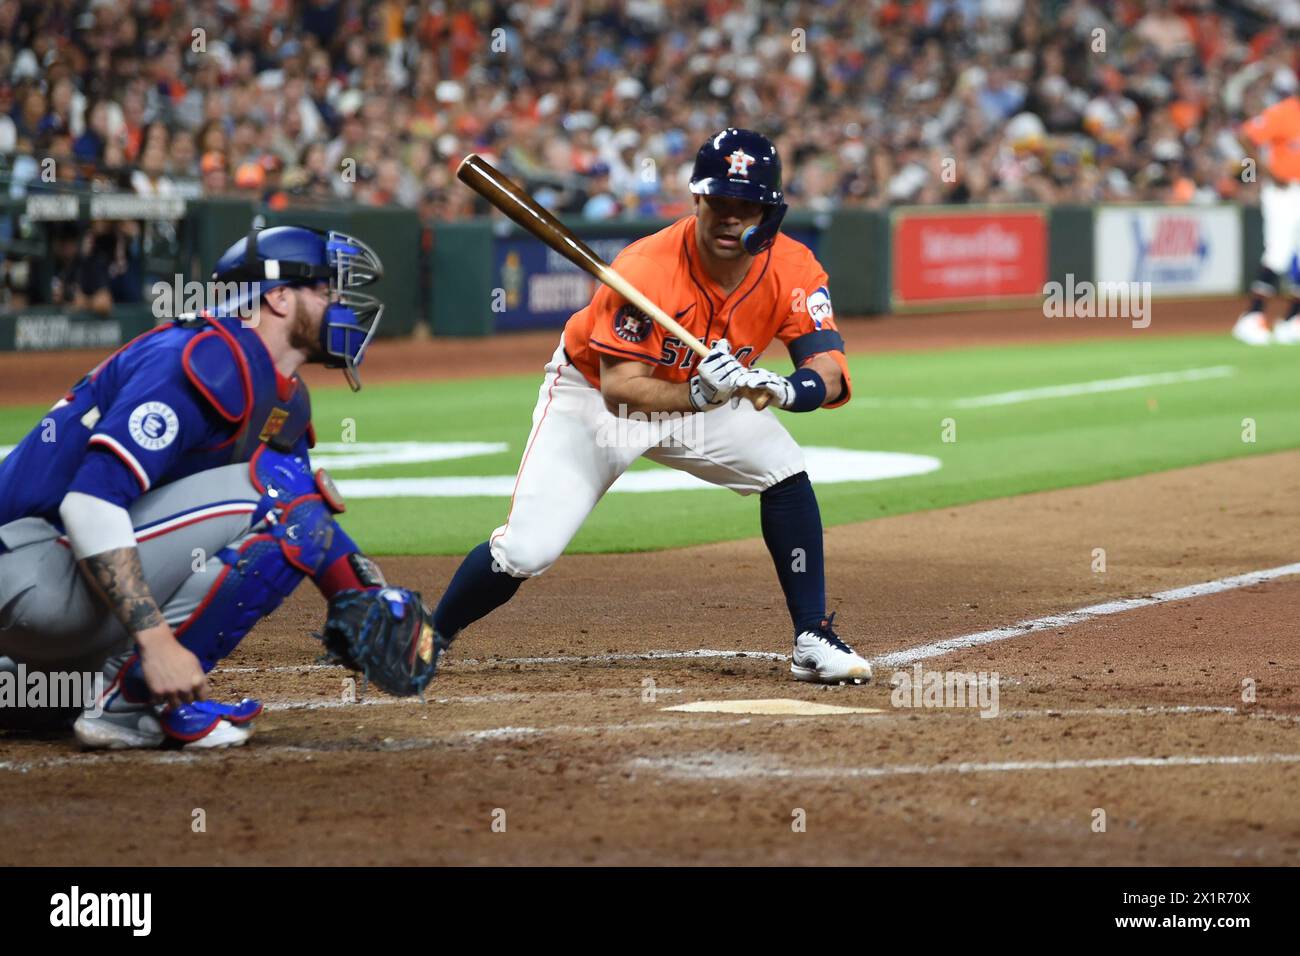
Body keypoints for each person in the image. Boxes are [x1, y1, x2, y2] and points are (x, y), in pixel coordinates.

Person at [432, 128, 872, 685]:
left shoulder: (794, 268)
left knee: (784, 470)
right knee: (526, 550)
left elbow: (828, 370)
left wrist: (787, 389)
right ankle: (424, 638)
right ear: (697, 199)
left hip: (699, 402)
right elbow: (621, 387)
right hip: (594, 400)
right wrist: (698, 393)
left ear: (772, 212)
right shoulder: (645, 268)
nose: (730, 218)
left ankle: (811, 636)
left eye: (747, 205)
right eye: (719, 202)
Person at [0, 225, 435, 749]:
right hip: (27, 573)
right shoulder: (196, 361)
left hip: (54, 607)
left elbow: (305, 510)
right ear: (277, 296)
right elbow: (90, 502)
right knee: (279, 497)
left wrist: (360, 592)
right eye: (326, 290)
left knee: (288, 494)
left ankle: (60, 684)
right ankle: (137, 699)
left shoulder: (280, 396)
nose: (341, 305)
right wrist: (156, 641)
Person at [1232, 92, 1300, 345]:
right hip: (1284, 193)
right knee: (1278, 255)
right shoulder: (1284, 111)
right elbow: (1244, 136)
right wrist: (1264, 173)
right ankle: (1252, 317)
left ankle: (1293, 320)